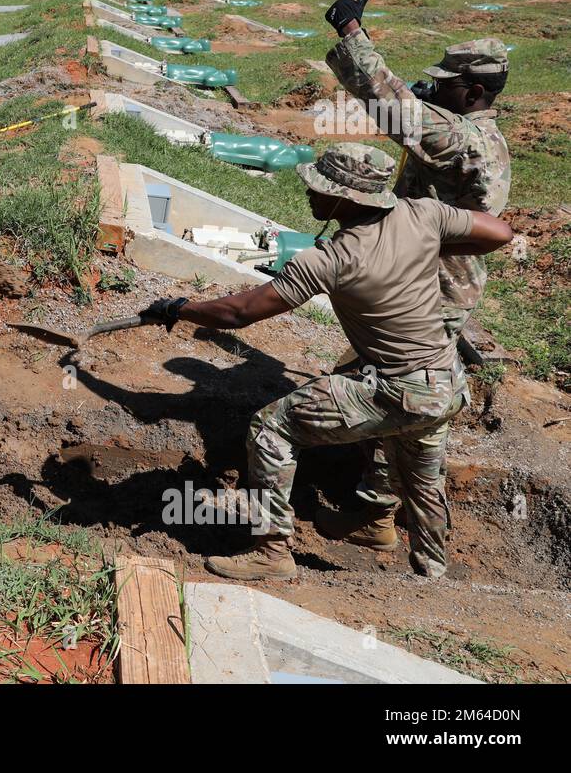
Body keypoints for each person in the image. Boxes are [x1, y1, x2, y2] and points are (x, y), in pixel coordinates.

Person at [132, 143, 513, 580]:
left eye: (319, 188)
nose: (309, 194)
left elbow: (238, 313)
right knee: (422, 481)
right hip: (446, 384)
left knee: (270, 429)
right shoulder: (424, 215)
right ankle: (429, 572)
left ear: (346, 198)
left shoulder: (331, 260)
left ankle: (272, 552)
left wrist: (179, 308)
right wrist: (429, 248)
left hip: (398, 389)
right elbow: (500, 233)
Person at [317, 0, 513, 550]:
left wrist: (352, 30)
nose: (436, 88)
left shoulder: (457, 136)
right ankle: (390, 514)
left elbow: (389, 101)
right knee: (393, 384)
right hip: (439, 285)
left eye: (447, 83)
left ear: (474, 91)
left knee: (393, 392)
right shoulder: (475, 132)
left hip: (431, 289)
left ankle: (378, 516)